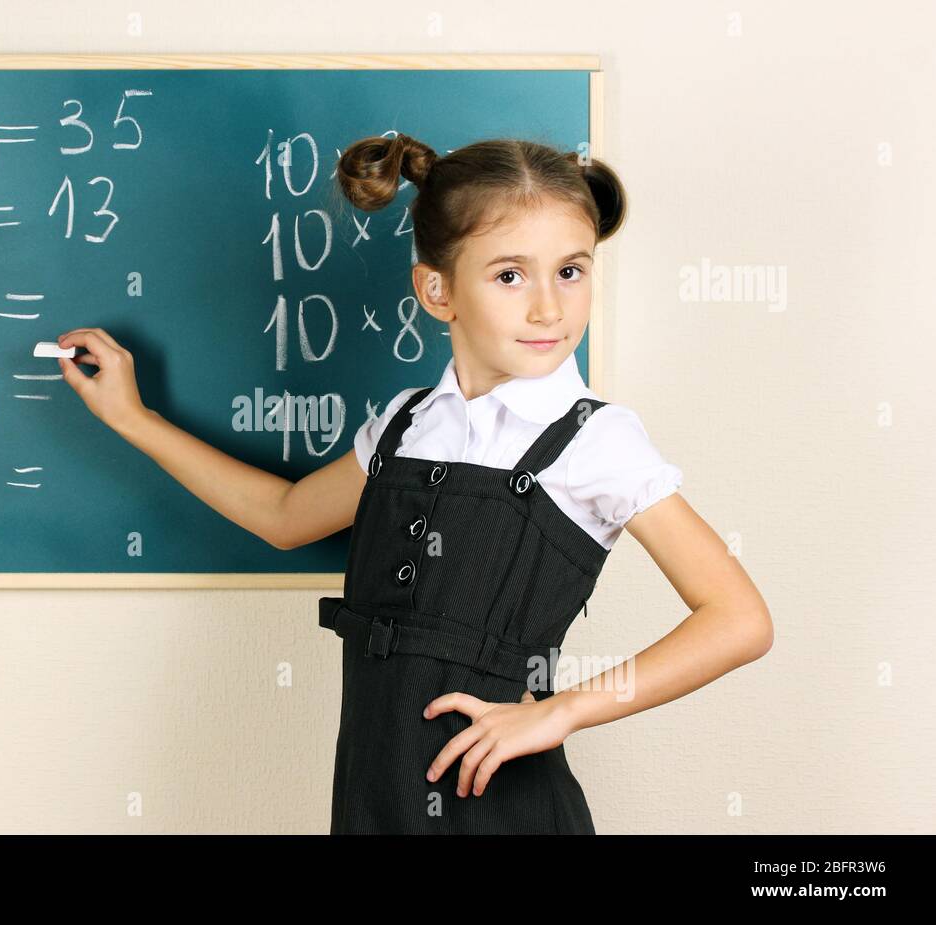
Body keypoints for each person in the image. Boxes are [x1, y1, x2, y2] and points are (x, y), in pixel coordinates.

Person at [53, 133, 774, 835]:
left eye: (571, 270)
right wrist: (135, 419)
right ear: (437, 290)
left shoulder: (595, 439)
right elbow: (282, 514)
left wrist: (559, 711)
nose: (550, 308)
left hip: (502, 809)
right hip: (375, 798)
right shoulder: (403, 424)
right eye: (510, 275)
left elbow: (738, 618)